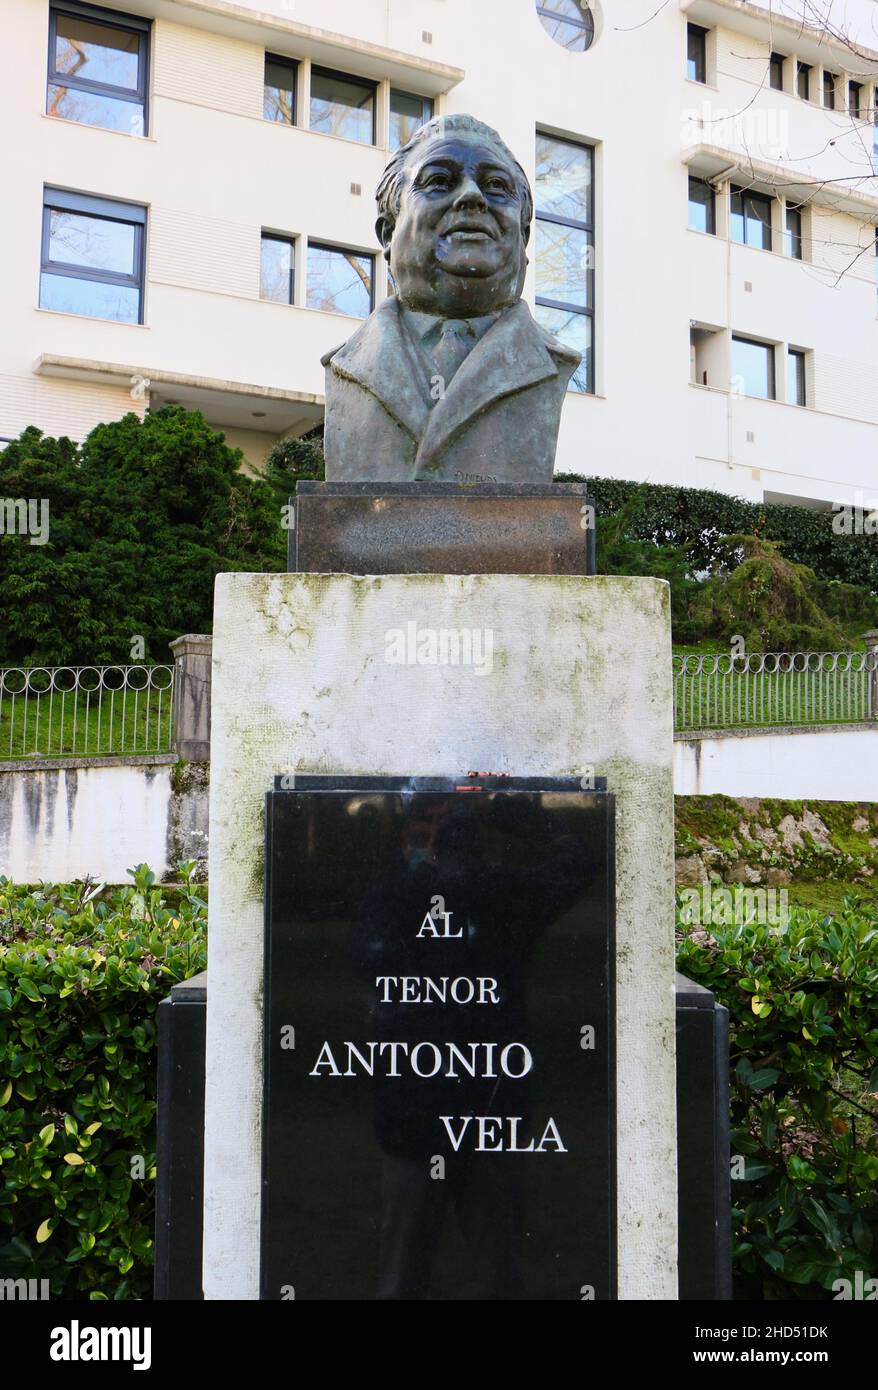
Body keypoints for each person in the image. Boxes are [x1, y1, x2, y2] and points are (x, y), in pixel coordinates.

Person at [322, 114, 581, 483]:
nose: (473, 196)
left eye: (495, 185)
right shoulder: (346, 367)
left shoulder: (553, 364)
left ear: (523, 236)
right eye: (439, 181)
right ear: (388, 233)